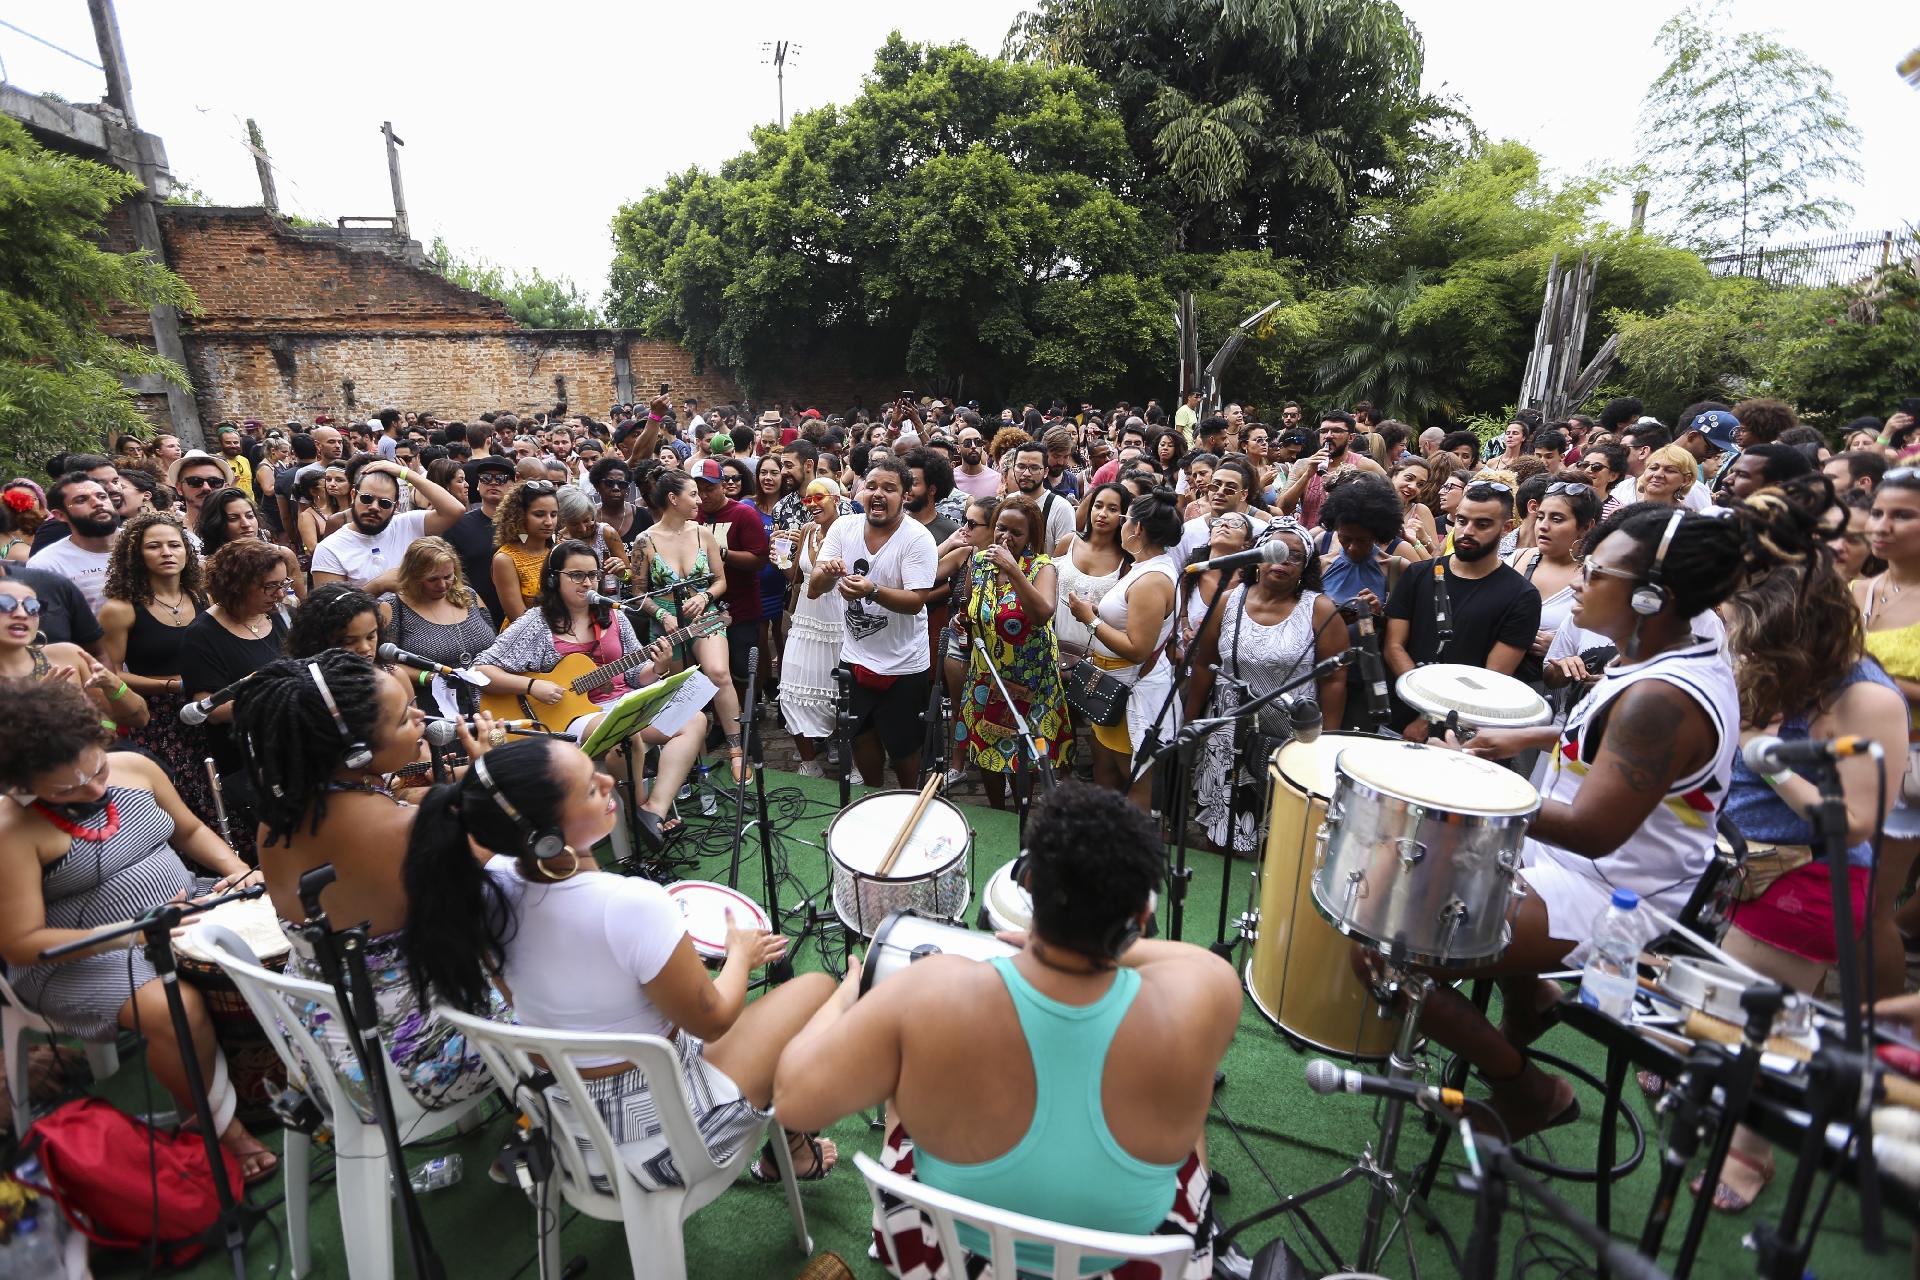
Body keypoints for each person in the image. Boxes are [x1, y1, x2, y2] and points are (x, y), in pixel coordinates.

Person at [1394, 502, 1806, 1140]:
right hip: (1578, 867)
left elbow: (1594, 829)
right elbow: (1619, 747)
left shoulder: (1660, 700)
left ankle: (1529, 1092)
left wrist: (1474, 777)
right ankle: (1530, 1004)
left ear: (1650, 597)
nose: (1578, 583)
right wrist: (1529, 734)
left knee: (1392, 947)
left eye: (1596, 572)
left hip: (1613, 893)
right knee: (1429, 895)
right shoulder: (1679, 636)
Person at [774, 781, 1239, 1278]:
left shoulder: (928, 992)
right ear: (1142, 918)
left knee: (905, 1076)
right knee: (1189, 1106)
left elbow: (792, 1098)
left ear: (1029, 882)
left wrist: (850, 990)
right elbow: (1185, 963)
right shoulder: (1205, 993)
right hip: (1132, 1261)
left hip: (959, 1254)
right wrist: (1097, 942)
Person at [402, 737, 843, 1183]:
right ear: (547, 837)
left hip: (566, 1127)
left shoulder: (485, 888)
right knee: (822, 991)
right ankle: (792, 1149)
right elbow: (713, 1023)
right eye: (591, 789)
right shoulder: (631, 905)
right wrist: (739, 956)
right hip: (665, 1142)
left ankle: (789, 1147)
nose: (610, 779)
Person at [1698, 494, 1907, 1211]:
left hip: (1808, 883)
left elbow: (1854, 824)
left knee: (1765, 1030)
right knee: (1728, 1018)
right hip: (1749, 867)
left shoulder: (1868, 699)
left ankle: (1750, 1158)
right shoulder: (1788, 672)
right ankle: (1731, 1124)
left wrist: (1770, 756)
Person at [0, 681, 271, 1180]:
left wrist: (237, 871)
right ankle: (215, 1125)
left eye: (97, 767)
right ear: (21, 784)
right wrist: (135, 933)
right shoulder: (11, 830)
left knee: (283, 926)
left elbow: (188, 830)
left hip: (182, 907)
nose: (95, 788)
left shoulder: (136, 768)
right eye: (67, 788)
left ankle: (273, 1078)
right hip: (79, 955)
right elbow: (21, 943)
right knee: (176, 1005)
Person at [230, 651, 497, 1115]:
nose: (421, 718)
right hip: (407, 1064)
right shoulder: (399, 832)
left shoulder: (279, 819)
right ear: (356, 752)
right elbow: (492, 851)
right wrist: (489, 775)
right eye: (402, 719)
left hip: (321, 1049)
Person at [474, 540, 705, 844]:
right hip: (573, 718)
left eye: (593, 575)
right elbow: (480, 669)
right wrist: (533, 685)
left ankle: (653, 811)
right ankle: (635, 811)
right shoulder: (537, 622)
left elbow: (635, 675)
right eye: (577, 575)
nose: (587, 582)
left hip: (623, 702)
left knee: (695, 719)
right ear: (554, 578)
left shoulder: (614, 616)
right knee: (626, 733)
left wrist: (657, 668)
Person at [1186, 524, 1348, 853]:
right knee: (1223, 838)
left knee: (1277, 844)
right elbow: (1203, 662)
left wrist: (1325, 744)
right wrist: (1190, 723)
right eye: (1274, 553)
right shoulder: (1228, 601)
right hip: (1229, 732)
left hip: (1290, 736)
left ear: (1306, 567)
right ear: (1258, 558)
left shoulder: (1319, 610)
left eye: (1294, 557)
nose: (1282, 562)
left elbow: (1335, 680)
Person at [807, 458, 938, 789]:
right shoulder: (842, 528)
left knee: (906, 748)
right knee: (860, 737)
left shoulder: (916, 538)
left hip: (903, 664)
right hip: (855, 658)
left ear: (905, 496)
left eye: (890, 489)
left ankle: (911, 804)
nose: (878, 494)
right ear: (860, 490)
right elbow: (813, 590)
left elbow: (916, 601)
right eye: (872, 486)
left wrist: (873, 591)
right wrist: (827, 572)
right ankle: (874, 795)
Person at [1383, 480, 1542, 737]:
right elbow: (1393, 646)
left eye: (1482, 524)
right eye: (1462, 521)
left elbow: (1493, 677)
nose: (1468, 531)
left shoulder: (1521, 596)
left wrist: (1429, 720)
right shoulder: (1418, 574)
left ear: (1506, 528)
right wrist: (1423, 706)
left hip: (1460, 734)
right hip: (1397, 719)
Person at [176, 540, 296, 863]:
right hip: (249, 764)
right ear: (237, 584)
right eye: (270, 587)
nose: (281, 594)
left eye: (283, 584)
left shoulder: (279, 617)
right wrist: (278, 700)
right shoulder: (202, 635)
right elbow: (211, 710)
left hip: (293, 751)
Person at [97, 511, 219, 826]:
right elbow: (110, 676)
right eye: (154, 546)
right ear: (136, 554)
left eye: (174, 545)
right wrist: (170, 685)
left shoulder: (201, 596)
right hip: (157, 718)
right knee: (186, 802)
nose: (166, 553)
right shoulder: (120, 608)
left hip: (208, 706)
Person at [1065, 490, 1182, 810]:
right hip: (1117, 685)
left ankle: (1135, 850)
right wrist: (1099, 612)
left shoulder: (1152, 579)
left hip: (1133, 693)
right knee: (1114, 773)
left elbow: (1138, 649)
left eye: (1126, 517)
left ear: (1138, 528)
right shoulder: (1144, 566)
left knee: (1134, 783)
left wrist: (1090, 619)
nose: (1120, 523)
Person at [954, 494, 1068, 808]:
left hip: (1027, 680)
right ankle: (996, 814)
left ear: (1031, 536)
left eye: (1016, 533)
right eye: (1001, 528)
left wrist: (1014, 570)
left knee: (1023, 757)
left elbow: (1042, 613)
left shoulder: (1042, 568)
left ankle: (1022, 813)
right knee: (987, 755)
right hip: (986, 674)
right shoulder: (979, 561)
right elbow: (970, 607)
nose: (1006, 537)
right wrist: (961, 621)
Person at [634, 470, 749, 779]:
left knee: (718, 673)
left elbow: (721, 580)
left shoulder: (703, 533)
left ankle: (737, 750)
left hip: (705, 615)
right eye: (693, 494)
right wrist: (662, 615)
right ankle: (693, 761)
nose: (700, 500)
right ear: (674, 499)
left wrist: (705, 596)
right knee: (680, 690)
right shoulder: (644, 541)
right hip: (666, 623)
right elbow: (637, 594)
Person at [692, 458, 771, 740]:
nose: (703, 496)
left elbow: (759, 560)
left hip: (741, 606)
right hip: (703, 609)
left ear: (723, 486)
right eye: (697, 489)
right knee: (710, 669)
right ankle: (719, 724)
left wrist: (722, 553)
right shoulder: (693, 516)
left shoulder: (742, 515)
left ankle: (742, 721)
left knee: (739, 668)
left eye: (708, 489)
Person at [779, 479, 852, 777]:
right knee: (791, 690)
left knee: (844, 695)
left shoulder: (850, 531)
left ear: (835, 498)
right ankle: (809, 762)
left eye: (818, 498)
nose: (811, 505)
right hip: (806, 622)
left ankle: (853, 762)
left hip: (840, 622)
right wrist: (780, 552)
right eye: (807, 501)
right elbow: (794, 577)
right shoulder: (808, 531)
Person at [376, 537, 497, 714]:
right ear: (413, 576)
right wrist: (430, 677)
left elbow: (496, 644)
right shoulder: (393, 607)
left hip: (490, 702)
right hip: (434, 709)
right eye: (432, 579)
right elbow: (384, 666)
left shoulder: (468, 596)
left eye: (448, 576)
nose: (442, 585)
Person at [311, 458, 463, 593]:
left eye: (384, 503)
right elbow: (330, 611)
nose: (374, 507)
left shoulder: (406, 523)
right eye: (366, 499)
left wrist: (405, 473)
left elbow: (455, 510)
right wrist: (378, 586)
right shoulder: (329, 549)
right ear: (353, 496)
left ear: (395, 506)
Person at [1053, 483, 1129, 662]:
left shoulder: (1126, 561)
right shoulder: (1068, 542)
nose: (1102, 514)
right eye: (1098, 506)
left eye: (1112, 509)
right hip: (1053, 645)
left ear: (1123, 516)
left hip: (1097, 654)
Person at [194, 487, 306, 601]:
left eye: (250, 516)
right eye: (233, 518)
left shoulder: (283, 555)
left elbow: (302, 605)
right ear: (216, 524)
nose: (246, 524)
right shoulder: (205, 567)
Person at [27, 473, 118, 611]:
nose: (98, 503)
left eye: (102, 496)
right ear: (60, 515)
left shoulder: (146, 542)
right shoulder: (47, 565)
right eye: (81, 500)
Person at [1281, 411, 1386, 527]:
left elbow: (1392, 498)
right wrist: (1307, 475)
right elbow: (1282, 509)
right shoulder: (1303, 465)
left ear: (1351, 438)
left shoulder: (1366, 466)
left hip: (1346, 542)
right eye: (1324, 431)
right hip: (1310, 541)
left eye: (1336, 431)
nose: (1328, 436)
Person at [490, 479, 563, 624]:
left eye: (553, 514)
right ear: (520, 515)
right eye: (539, 514)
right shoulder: (505, 559)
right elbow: (519, 619)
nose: (549, 522)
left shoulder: (559, 549)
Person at [554, 485, 632, 587]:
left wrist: (621, 573)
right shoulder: (558, 540)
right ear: (563, 520)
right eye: (574, 524)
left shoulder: (606, 533)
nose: (582, 528)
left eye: (586, 521)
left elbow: (630, 578)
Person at [284, 584, 382, 661]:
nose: (365, 648)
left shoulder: (391, 677)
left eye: (371, 637)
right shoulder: (302, 684)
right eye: (349, 642)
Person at [1634, 445, 1698, 509]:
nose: (1658, 474)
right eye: (1654, 468)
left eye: (1669, 471)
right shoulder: (1627, 514)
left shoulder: (1688, 517)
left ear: (1686, 480)